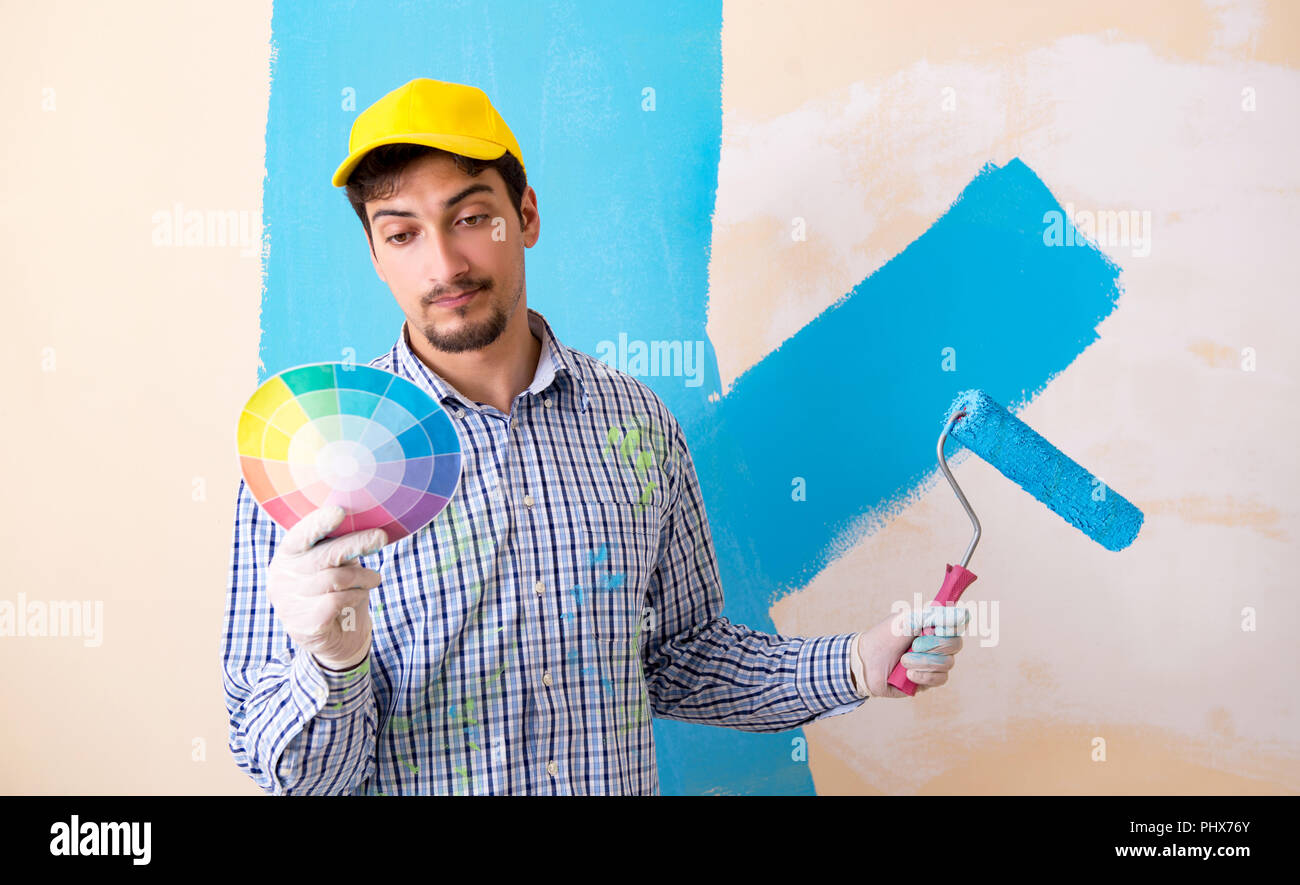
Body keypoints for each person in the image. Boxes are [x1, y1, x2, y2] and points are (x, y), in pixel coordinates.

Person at [222, 77, 968, 795]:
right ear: (376, 255)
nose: (444, 263)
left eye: (472, 217)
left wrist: (858, 664)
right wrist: (332, 663)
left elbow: (681, 657)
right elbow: (291, 775)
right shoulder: (315, 457)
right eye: (403, 233)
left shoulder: (636, 427)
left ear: (527, 215)